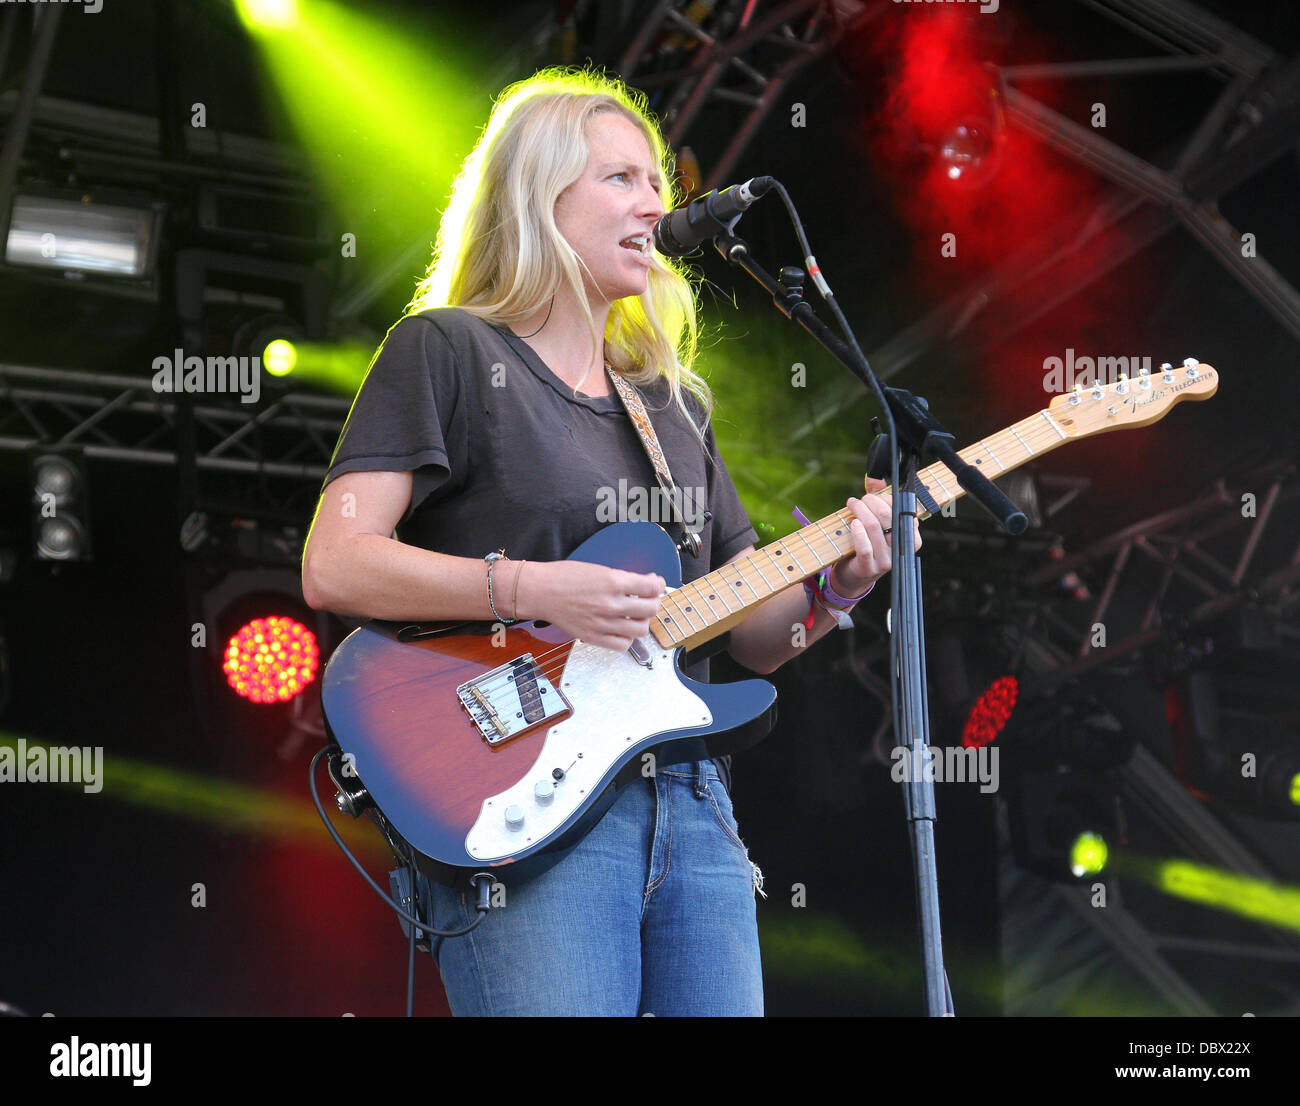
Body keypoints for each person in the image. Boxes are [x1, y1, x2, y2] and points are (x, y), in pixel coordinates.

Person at [302, 66, 914, 1017]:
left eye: (658, 184)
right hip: (520, 803)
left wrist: (836, 589)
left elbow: (752, 635)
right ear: (538, 197)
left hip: (693, 805)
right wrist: (535, 588)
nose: (654, 204)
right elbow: (336, 562)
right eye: (621, 179)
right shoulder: (449, 350)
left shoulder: (673, 409)